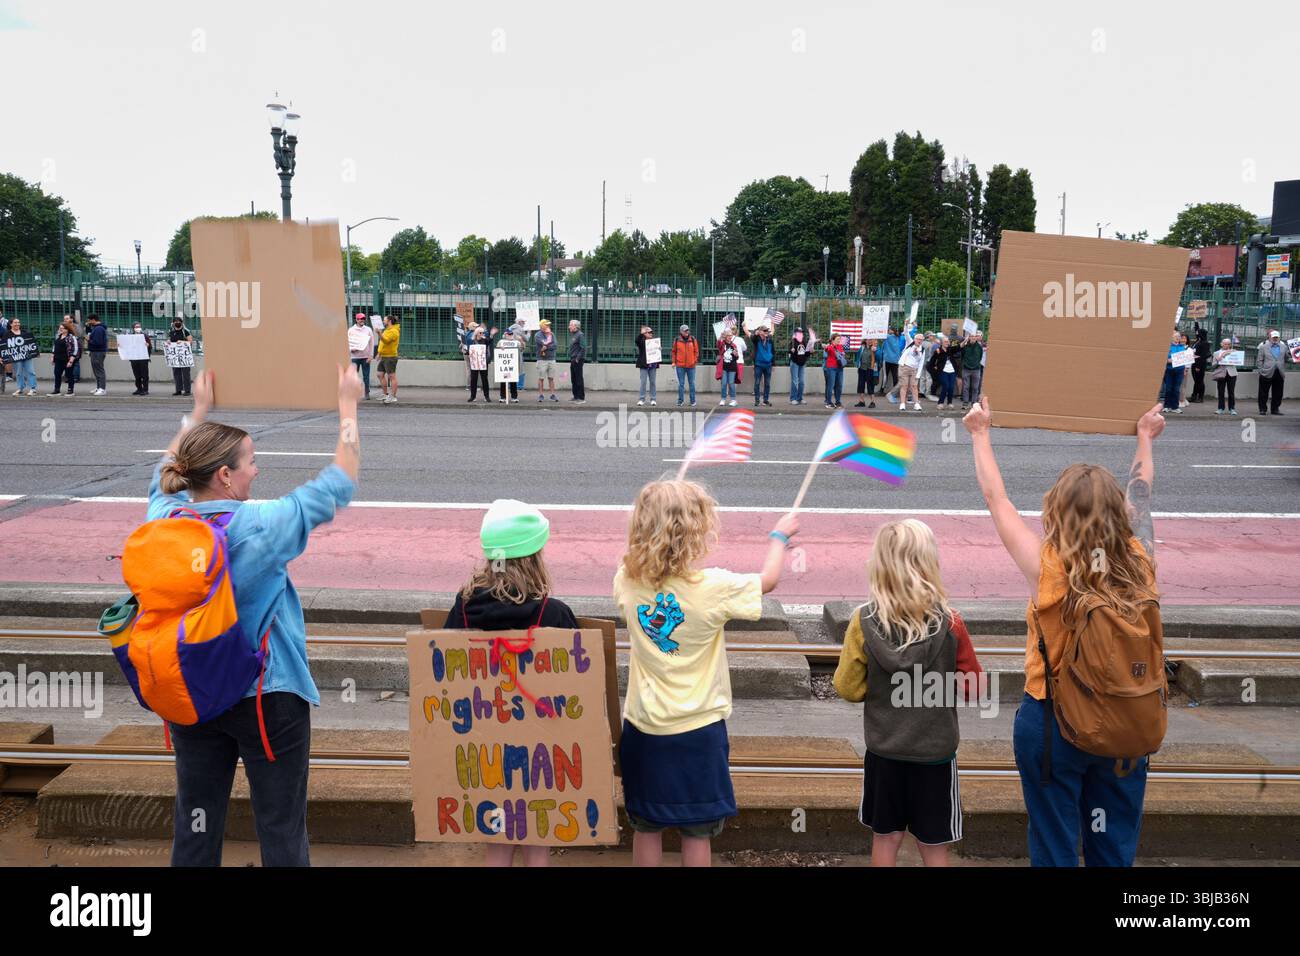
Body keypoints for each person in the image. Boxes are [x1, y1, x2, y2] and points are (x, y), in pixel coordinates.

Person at [150, 364, 362, 866]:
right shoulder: (259, 527)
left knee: (196, 822)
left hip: (193, 694)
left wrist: (198, 412)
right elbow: (339, 485)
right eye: (251, 462)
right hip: (267, 696)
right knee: (281, 826)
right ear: (225, 476)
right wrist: (348, 407)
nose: (257, 470)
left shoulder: (164, 521)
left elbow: (161, 477)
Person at [964, 396, 1166, 867]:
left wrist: (979, 434)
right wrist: (1144, 438)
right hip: (1127, 719)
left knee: (1054, 842)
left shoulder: (1048, 567)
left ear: (1055, 512)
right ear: (1119, 515)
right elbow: (1143, 496)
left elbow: (998, 499)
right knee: (1113, 842)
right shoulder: (1141, 562)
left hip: (1055, 721)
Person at [612, 479, 799, 867]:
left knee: (646, 826)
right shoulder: (714, 587)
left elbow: (635, 559)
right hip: (698, 730)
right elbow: (768, 580)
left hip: (644, 727)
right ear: (697, 531)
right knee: (696, 831)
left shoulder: (627, 581)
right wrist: (779, 537)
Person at [833, 519, 984, 866]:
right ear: (929, 564)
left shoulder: (864, 620)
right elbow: (973, 687)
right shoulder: (950, 621)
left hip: (885, 753)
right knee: (934, 843)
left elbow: (847, 687)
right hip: (934, 756)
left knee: (886, 837)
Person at [445, 498, 578, 867]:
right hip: (541, 750)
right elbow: (576, 686)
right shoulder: (553, 613)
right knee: (537, 836)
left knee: (498, 838)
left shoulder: (464, 607)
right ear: (536, 558)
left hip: (484, 748)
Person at [1256, 330, 1288, 416]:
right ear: (1269, 337)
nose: (1275, 339)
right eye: (1273, 337)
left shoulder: (1284, 347)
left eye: (1276, 337)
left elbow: (1287, 358)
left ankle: (1275, 409)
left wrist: (1297, 359)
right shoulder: (1263, 347)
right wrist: (1261, 371)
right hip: (1266, 372)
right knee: (1263, 392)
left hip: (1279, 372)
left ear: (1279, 338)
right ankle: (1262, 409)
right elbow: (1259, 360)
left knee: (1278, 392)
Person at [5, 318, 37, 396]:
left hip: (27, 356)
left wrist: (33, 352)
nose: (17, 324)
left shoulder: (24, 332)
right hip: (15, 357)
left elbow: (30, 343)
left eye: (18, 322)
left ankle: (33, 389)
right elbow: (4, 346)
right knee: (19, 373)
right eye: (15, 322)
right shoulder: (7, 334)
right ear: (11, 324)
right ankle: (20, 388)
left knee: (30, 371)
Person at [348, 313, 376, 400]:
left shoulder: (368, 330)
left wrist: (371, 355)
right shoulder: (351, 330)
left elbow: (371, 343)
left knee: (366, 376)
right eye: (360, 319)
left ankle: (366, 393)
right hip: (354, 357)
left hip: (365, 357)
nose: (362, 320)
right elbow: (347, 342)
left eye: (363, 318)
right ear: (356, 320)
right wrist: (351, 349)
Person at [50, 317, 80, 396]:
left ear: (67, 329)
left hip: (67, 359)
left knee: (69, 375)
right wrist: (52, 356)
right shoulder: (58, 336)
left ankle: (70, 390)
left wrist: (71, 360)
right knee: (57, 374)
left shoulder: (71, 337)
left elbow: (75, 349)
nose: (61, 330)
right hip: (58, 359)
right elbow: (54, 346)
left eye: (62, 328)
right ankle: (57, 390)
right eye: (60, 328)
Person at [672, 324, 698, 407]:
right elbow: (674, 352)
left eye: (688, 330)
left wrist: (694, 361)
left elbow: (696, 352)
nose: (687, 332)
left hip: (691, 366)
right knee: (681, 384)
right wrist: (673, 362)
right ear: (681, 332)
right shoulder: (677, 340)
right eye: (685, 330)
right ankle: (680, 400)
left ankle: (692, 401)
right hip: (680, 365)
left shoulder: (693, 339)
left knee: (692, 384)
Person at [496, 325, 524, 403]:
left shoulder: (517, 342)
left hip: (513, 365)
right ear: (505, 335)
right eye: (508, 334)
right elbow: (497, 352)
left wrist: (521, 341)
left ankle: (514, 397)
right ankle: (503, 396)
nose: (510, 335)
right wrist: (500, 349)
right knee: (503, 381)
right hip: (504, 365)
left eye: (511, 334)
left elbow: (522, 349)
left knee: (513, 381)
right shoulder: (501, 342)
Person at [168, 317, 195, 397]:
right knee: (176, 373)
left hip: (185, 356)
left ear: (182, 323)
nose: (177, 323)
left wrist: (182, 342)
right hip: (175, 356)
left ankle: (187, 390)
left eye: (179, 321)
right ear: (173, 323)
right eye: (175, 321)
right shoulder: (171, 332)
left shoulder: (185, 331)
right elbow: (170, 340)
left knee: (186, 373)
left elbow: (190, 342)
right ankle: (178, 390)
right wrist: (168, 342)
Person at [1161, 331, 1187, 413]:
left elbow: (1185, 359)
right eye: (1176, 337)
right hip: (1169, 370)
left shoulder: (1183, 347)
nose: (1178, 338)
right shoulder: (1167, 347)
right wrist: (1168, 360)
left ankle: (1175, 407)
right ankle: (1166, 406)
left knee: (1176, 389)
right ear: (1172, 337)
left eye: (1179, 337)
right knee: (1168, 389)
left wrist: (1185, 369)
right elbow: (1162, 358)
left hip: (1180, 370)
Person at [897, 333, 925, 411]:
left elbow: (921, 362)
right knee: (904, 386)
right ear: (915, 339)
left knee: (914, 386)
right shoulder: (910, 343)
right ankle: (902, 404)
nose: (920, 341)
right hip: (904, 367)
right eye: (918, 339)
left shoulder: (922, 349)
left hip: (915, 369)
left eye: (921, 339)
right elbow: (906, 334)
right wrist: (906, 325)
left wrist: (918, 374)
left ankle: (916, 404)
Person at [534, 318, 559, 402]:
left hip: (551, 359)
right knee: (541, 378)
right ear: (542, 326)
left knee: (551, 378)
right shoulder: (538, 335)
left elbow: (555, 345)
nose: (548, 326)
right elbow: (542, 343)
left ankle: (552, 394)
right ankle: (541, 395)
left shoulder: (552, 334)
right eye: (546, 325)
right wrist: (547, 345)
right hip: (541, 359)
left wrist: (546, 347)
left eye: (548, 325)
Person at [1211, 337, 1238, 416]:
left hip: (1232, 374)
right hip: (1221, 374)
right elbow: (1213, 365)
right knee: (1221, 391)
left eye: (1228, 344)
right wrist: (1218, 360)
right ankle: (1220, 408)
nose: (1226, 345)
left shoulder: (1233, 352)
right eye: (1225, 344)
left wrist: (1236, 355)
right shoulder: (1216, 353)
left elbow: (1238, 361)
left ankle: (1232, 409)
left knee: (1231, 392)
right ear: (1221, 344)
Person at [376, 315, 400, 405]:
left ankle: (393, 396)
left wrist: (379, 333)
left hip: (390, 357)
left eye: (384, 320)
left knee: (391, 376)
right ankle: (385, 394)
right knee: (379, 374)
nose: (383, 321)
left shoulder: (394, 331)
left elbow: (386, 341)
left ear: (389, 321)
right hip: (384, 356)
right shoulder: (387, 330)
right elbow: (382, 343)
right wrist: (379, 353)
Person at [749, 325, 774, 407]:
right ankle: (757, 400)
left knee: (767, 383)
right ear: (760, 332)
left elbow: (773, 351)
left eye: (766, 330)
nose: (766, 332)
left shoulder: (769, 339)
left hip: (768, 365)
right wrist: (756, 334)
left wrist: (773, 363)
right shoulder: (756, 339)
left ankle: (765, 400)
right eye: (764, 330)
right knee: (757, 383)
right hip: (758, 365)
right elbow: (752, 338)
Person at [466, 326, 492, 403]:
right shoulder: (472, 341)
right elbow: (469, 350)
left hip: (483, 363)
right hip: (474, 363)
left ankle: (486, 396)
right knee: (473, 379)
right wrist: (466, 351)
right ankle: (472, 396)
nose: (482, 334)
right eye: (480, 332)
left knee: (484, 379)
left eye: (483, 332)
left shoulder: (485, 340)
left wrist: (491, 335)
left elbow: (490, 341)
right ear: (476, 333)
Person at [959, 330, 984, 410]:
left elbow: (980, 356)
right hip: (966, 369)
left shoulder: (979, 347)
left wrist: (976, 364)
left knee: (975, 387)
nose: (973, 338)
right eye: (971, 336)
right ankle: (965, 403)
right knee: (966, 387)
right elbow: (961, 353)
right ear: (969, 337)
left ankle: (974, 403)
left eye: (974, 336)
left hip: (976, 369)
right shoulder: (965, 346)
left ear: (976, 338)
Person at [821, 333, 846, 409]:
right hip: (831, 368)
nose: (839, 340)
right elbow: (827, 349)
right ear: (833, 340)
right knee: (830, 385)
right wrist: (825, 347)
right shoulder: (830, 346)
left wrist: (842, 354)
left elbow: (842, 354)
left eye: (839, 339)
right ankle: (828, 402)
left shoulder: (840, 346)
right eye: (837, 339)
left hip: (839, 368)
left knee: (839, 385)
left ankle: (838, 402)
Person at [87, 314, 110, 396]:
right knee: (96, 370)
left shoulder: (99, 329)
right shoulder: (97, 328)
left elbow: (98, 342)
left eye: (89, 320)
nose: (88, 322)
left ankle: (102, 389)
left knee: (99, 370)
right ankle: (99, 387)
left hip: (98, 352)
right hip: (96, 351)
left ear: (93, 320)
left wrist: (88, 340)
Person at [635, 325, 658, 406]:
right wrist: (641, 334)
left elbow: (656, 353)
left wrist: (659, 349)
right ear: (645, 333)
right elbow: (637, 341)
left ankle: (653, 399)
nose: (651, 334)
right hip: (644, 365)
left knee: (652, 382)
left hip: (653, 365)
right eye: (649, 332)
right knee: (643, 382)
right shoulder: (642, 341)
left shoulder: (655, 342)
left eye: (652, 332)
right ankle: (641, 399)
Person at [716, 329, 740, 406]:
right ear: (726, 337)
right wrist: (721, 336)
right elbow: (718, 343)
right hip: (724, 367)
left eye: (731, 335)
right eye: (728, 335)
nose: (730, 337)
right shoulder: (722, 344)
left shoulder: (734, 345)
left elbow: (737, 357)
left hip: (732, 367)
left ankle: (733, 400)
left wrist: (736, 354)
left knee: (731, 383)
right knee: (723, 383)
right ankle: (723, 399)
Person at [129, 322, 152, 395]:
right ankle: (139, 388)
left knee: (144, 375)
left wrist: (148, 345)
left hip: (143, 358)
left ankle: (145, 389)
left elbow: (150, 346)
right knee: (137, 375)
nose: (138, 328)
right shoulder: (130, 336)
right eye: (136, 327)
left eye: (139, 326)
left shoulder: (145, 336)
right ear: (133, 328)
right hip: (134, 358)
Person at [853, 337, 878, 409]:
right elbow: (857, 356)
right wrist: (857, 363)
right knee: (861, 385)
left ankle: (873, 402)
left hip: (870, 369)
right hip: (861, 369)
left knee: (870, 385)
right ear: (865, 340)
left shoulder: (875, 348)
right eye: (868, 340)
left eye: (871, 340)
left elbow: (879, 357)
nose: (869, 341)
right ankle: (862, 401)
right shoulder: (862, 347)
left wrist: (875, 351)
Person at [1189, 328, 1211, 403]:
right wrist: (1196, 322)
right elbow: (1196, 330)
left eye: (1198, 333)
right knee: (1196, 381)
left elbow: (1203, 356)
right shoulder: (1198, 341)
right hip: (1194, 362)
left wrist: (1198, 366)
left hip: (1200, 365)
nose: (1197, 334)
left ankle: (1200, 397)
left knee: (1200, 381)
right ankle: (1194, 396)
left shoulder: (1205, 343)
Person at [788, 328, 810, 405]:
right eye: (799, 333)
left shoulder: (804, 342)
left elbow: (806, 354)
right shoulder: (793, 341)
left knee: (802, 382)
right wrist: (791, 350)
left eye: (802, 333)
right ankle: (793, 398)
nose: (801, 334)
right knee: (794, 381)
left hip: (802, 363)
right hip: (794, 363)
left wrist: (810, 351)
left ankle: (800, 398)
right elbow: (789, 350)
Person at [880, 326, 902, 397]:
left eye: (888, 329)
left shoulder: (887, 337)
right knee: (895, 376)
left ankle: (882, 390)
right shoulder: (898, 338)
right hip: (896, 360)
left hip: (887, 359)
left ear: (891, 331)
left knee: (885, 376)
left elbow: (880, 334)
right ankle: (895, 391)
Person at [568, 319, 587, 403]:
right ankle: (575, 396)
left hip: (577, 360)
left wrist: (577, 358)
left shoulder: (580, 335)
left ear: (576, 326)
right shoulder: (573, 335)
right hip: (573, 359)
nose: (569, 327)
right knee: (574, 378)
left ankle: (581, 397)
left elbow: (583, 348)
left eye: (571, 325)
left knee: (578, 378)